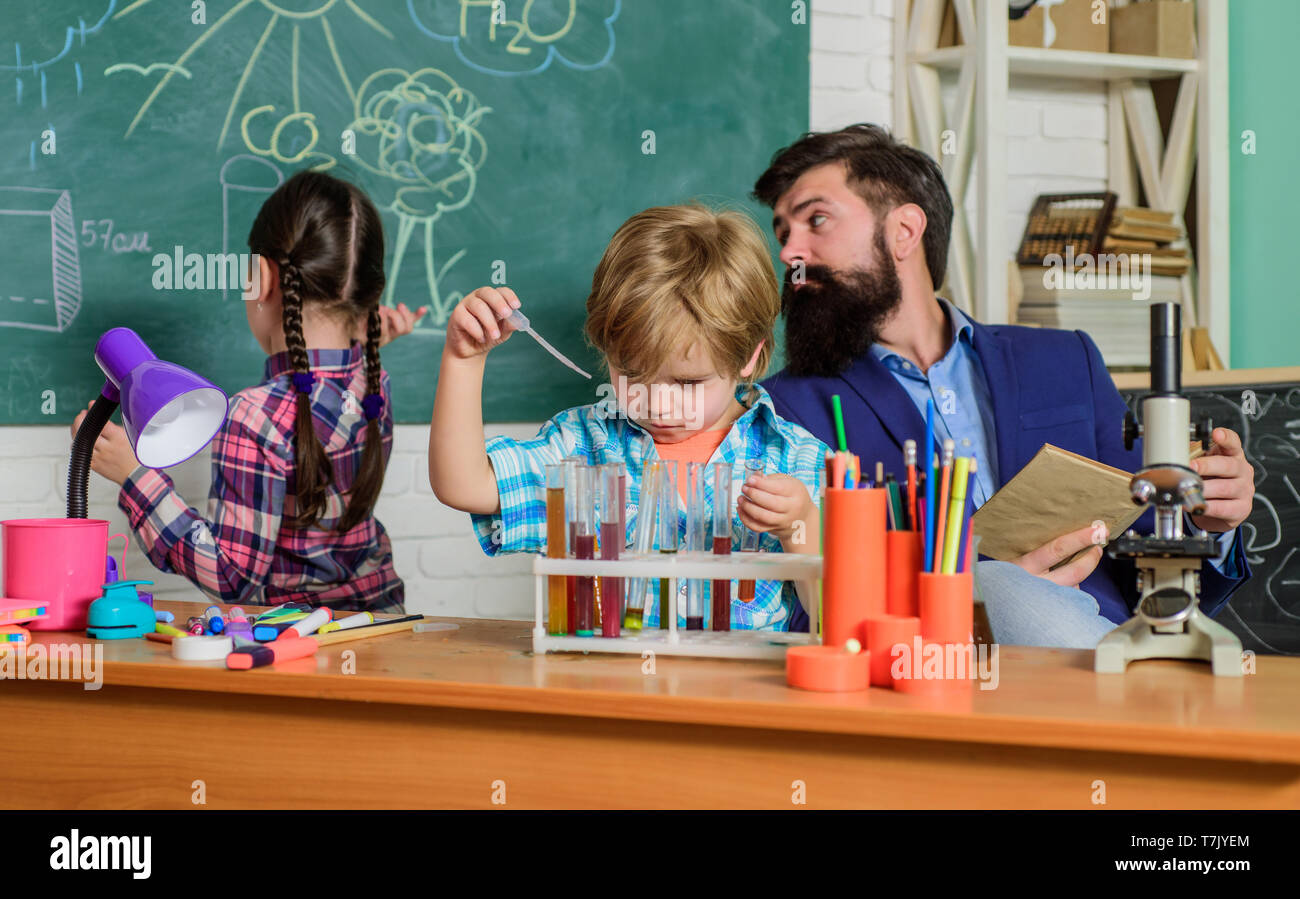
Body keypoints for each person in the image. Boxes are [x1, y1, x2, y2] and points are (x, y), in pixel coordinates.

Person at [754, 124, 1254, 646]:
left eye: (816, 220)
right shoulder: (787, 408)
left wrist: (1212, 522)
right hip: (933, 668)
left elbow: (1144, 528)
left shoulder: (1065, 360)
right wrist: (978, 591)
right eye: (784, 233)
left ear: (904, 230)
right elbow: (800, 611)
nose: (792, 252)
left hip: (1102, 646)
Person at [429, 205, 828, 630]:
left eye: (687, 383)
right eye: (633, 375)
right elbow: (464, 486)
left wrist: (800, 525)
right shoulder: (582, 444)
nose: (658, 404)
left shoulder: (793, 458)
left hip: (736, 695)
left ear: (749, 356)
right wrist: (464, 362)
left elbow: (834, 614)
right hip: (600, 691)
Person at [74, 171, 426, 612]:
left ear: (261, 277)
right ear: (367, 294)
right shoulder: (374, 384)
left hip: (295, 650)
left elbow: (230, 577)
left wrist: (134, 476)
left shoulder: (254, 417)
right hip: (382, 628)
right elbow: (330, 401)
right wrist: (366, 337)